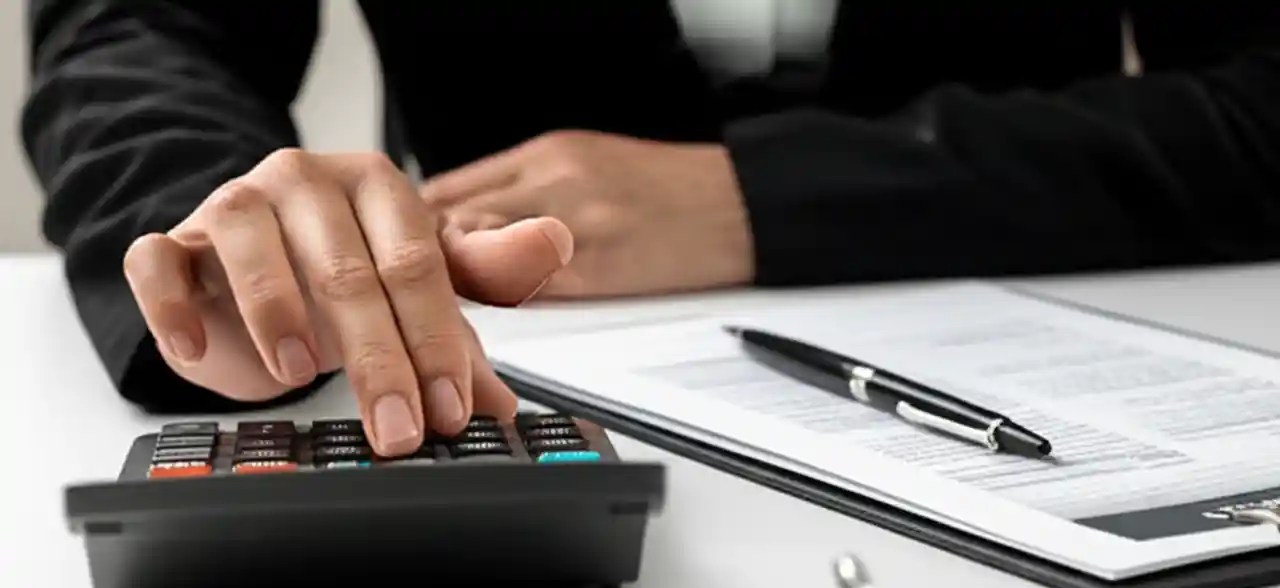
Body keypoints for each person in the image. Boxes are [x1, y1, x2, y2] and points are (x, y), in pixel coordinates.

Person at [22, 2, 1280, 457]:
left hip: (1070, 351)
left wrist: (762, 195)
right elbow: (134, 31)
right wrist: (222, 234)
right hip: (506, 382)